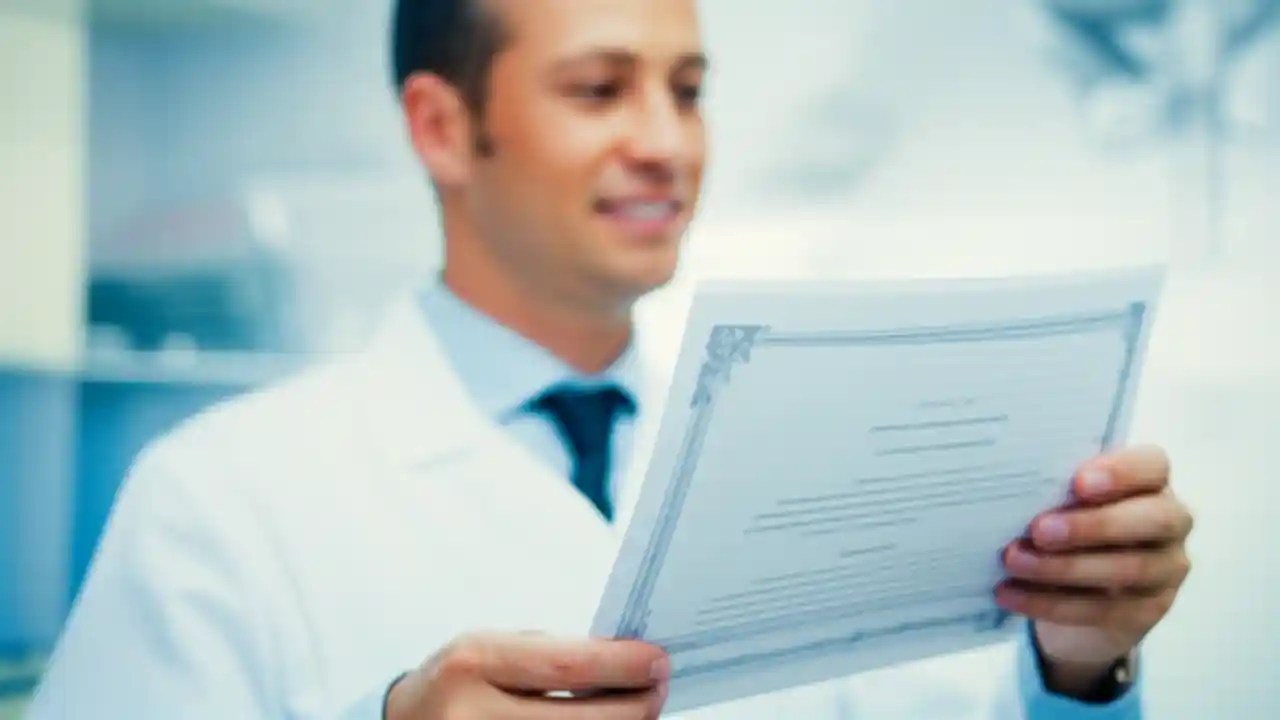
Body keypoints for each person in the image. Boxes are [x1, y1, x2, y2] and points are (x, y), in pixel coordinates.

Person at [28, 0, 1195, 717]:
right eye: (599, 90)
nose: (665, 143)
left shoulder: (808, 448)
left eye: (685, 92)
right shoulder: (215, 501)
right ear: (440, 127)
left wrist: (1075, 667)